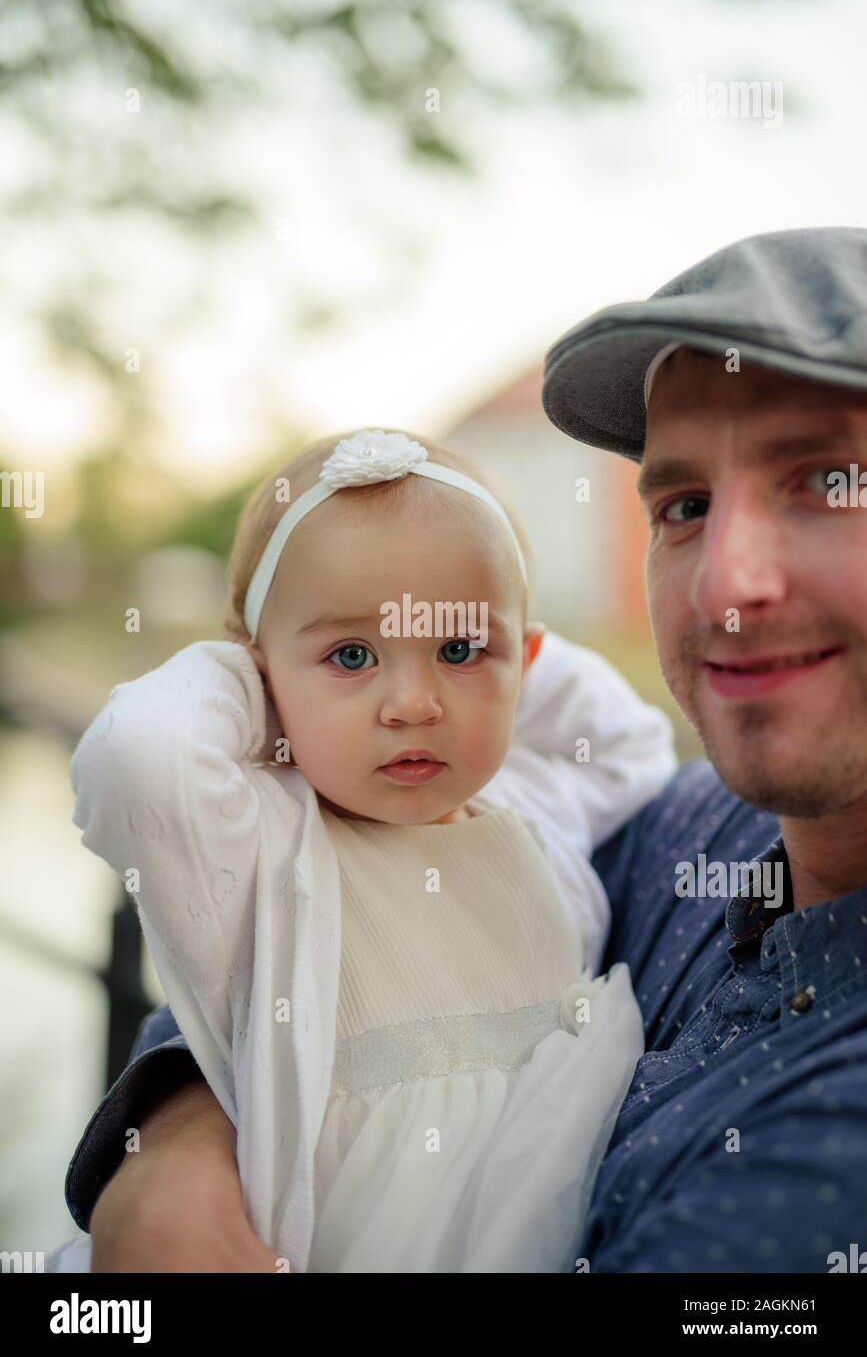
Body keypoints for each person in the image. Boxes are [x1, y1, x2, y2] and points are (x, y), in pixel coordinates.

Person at [60, 226, 867, 1274]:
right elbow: (339, 942)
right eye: (684, 504)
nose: (723, 583)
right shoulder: (675, 837)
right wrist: (178, 1132)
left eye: (833, 480)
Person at [45, 429, 677, 1273]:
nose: (413, 704)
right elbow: (137, 756)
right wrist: (256, 683)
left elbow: (632, 744)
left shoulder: (538, 801)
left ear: (525, 664)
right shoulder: (263, 851)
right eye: (351, 655)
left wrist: (506, 639)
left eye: (458, 649)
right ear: (260, 677)